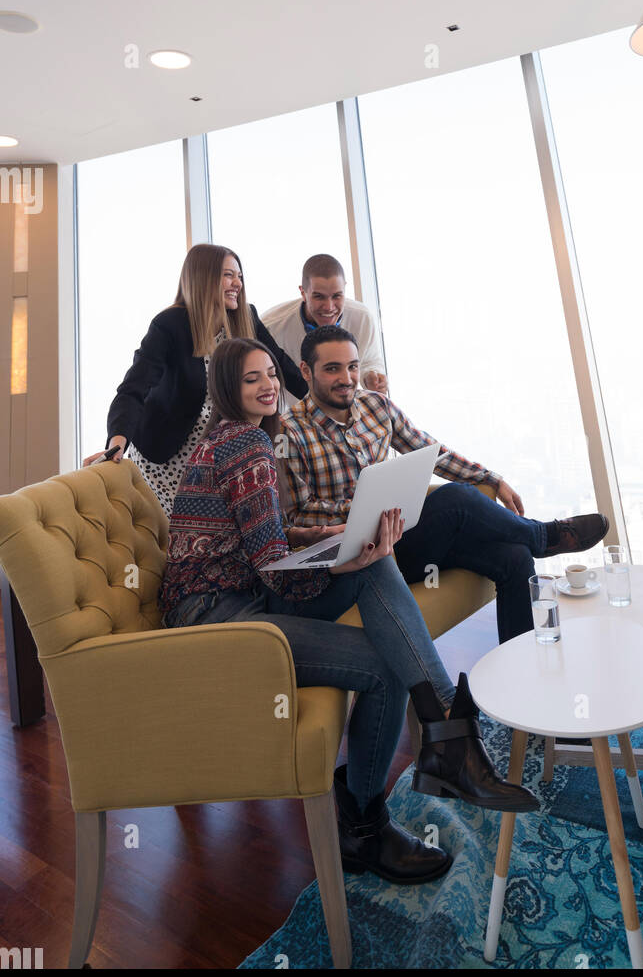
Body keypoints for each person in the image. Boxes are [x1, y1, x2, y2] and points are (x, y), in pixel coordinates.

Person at [159, 336, 538, 885]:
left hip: (239, 594)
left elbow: (265, 534)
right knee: (381, 660)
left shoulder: (240, 439)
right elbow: (268, 561)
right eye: (251, 379)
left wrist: (334, 537)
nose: (268, 385)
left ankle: (444, 739)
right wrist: (338, 560)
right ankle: (368, 823)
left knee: (375, 563)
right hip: (214, 616)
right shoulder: (248, 446)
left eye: (270, 373)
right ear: (226, 388)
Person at [279, 326, 610, 645]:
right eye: (333, 369)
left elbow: (431, 453)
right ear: (306, 371)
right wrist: (364, 507)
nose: (347, 378)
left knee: (515, 558)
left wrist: (491, 478)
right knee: (454, 500)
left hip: (409, 536)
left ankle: (519, 671)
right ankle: (542, 536)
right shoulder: (289, 431)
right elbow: (297, 516)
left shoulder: (375, 406)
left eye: (352, 367)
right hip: (366, 558)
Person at [82, 243, 308, 518]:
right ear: (203, 277)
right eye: (228, 275)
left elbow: (284, 369)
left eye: (239, 276)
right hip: (168, 454)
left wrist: (327, 405)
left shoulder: (245, 318)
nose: (237, 283)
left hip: (217, 451)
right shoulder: (169, 325)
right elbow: (133, 390)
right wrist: (116, 442)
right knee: (186, 532)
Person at [262, 253, 387, 402]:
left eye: (337, 296)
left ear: (345, 289)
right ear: (303, 293)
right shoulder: (271, 327)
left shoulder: (362, 318)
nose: (329, 307)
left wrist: (371, 377)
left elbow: (370, 361)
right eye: (319, 297)